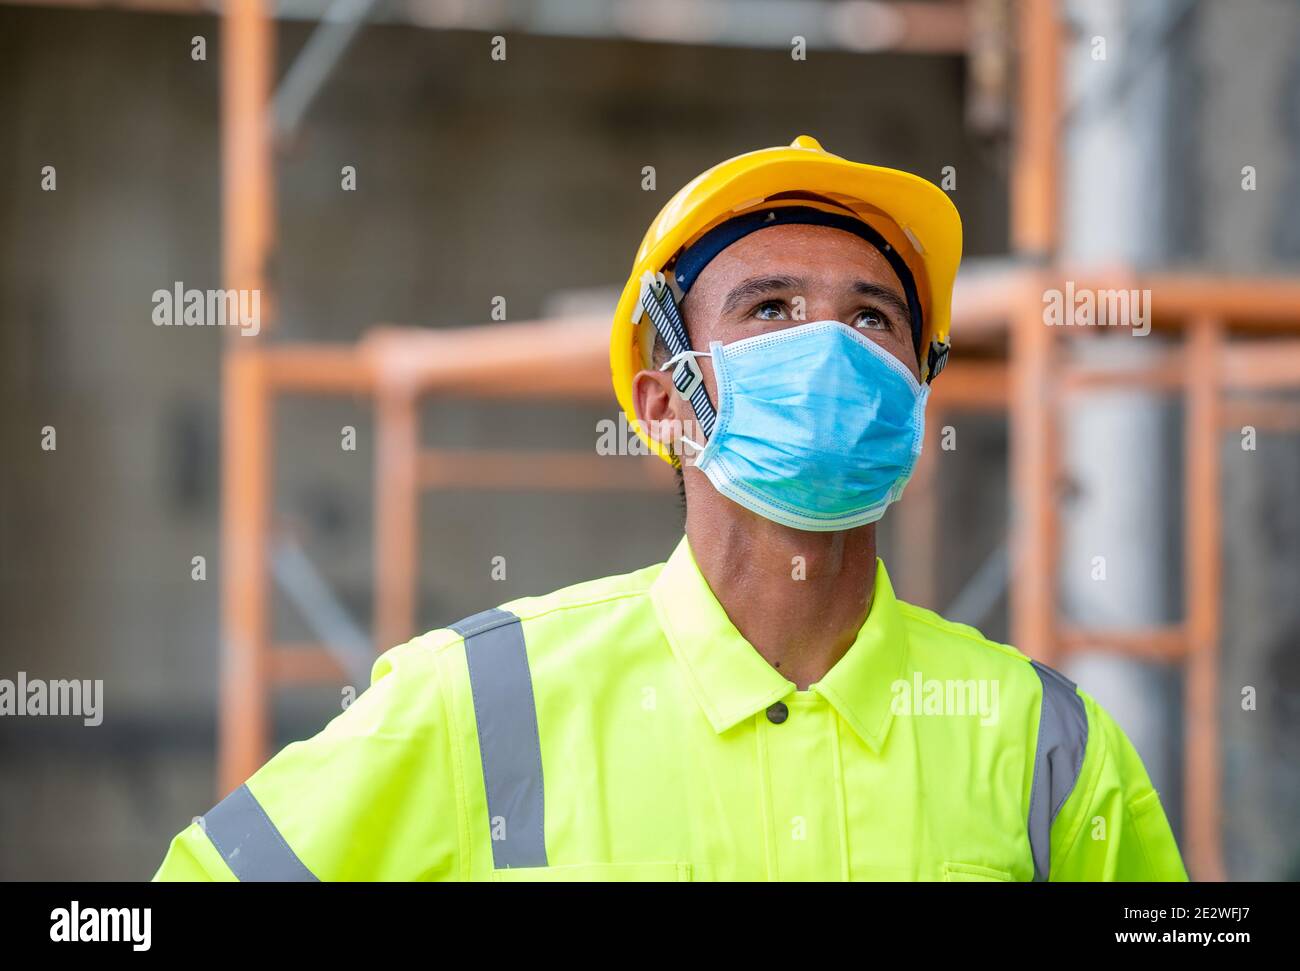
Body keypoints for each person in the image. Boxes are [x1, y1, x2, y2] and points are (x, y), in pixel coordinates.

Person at [155, 136, 1187, 881]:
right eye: (770, 308)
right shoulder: (481, 701)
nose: (829, 348)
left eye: (872, 316)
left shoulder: (1043, 742)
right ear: (666, 404)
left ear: (913, 398)